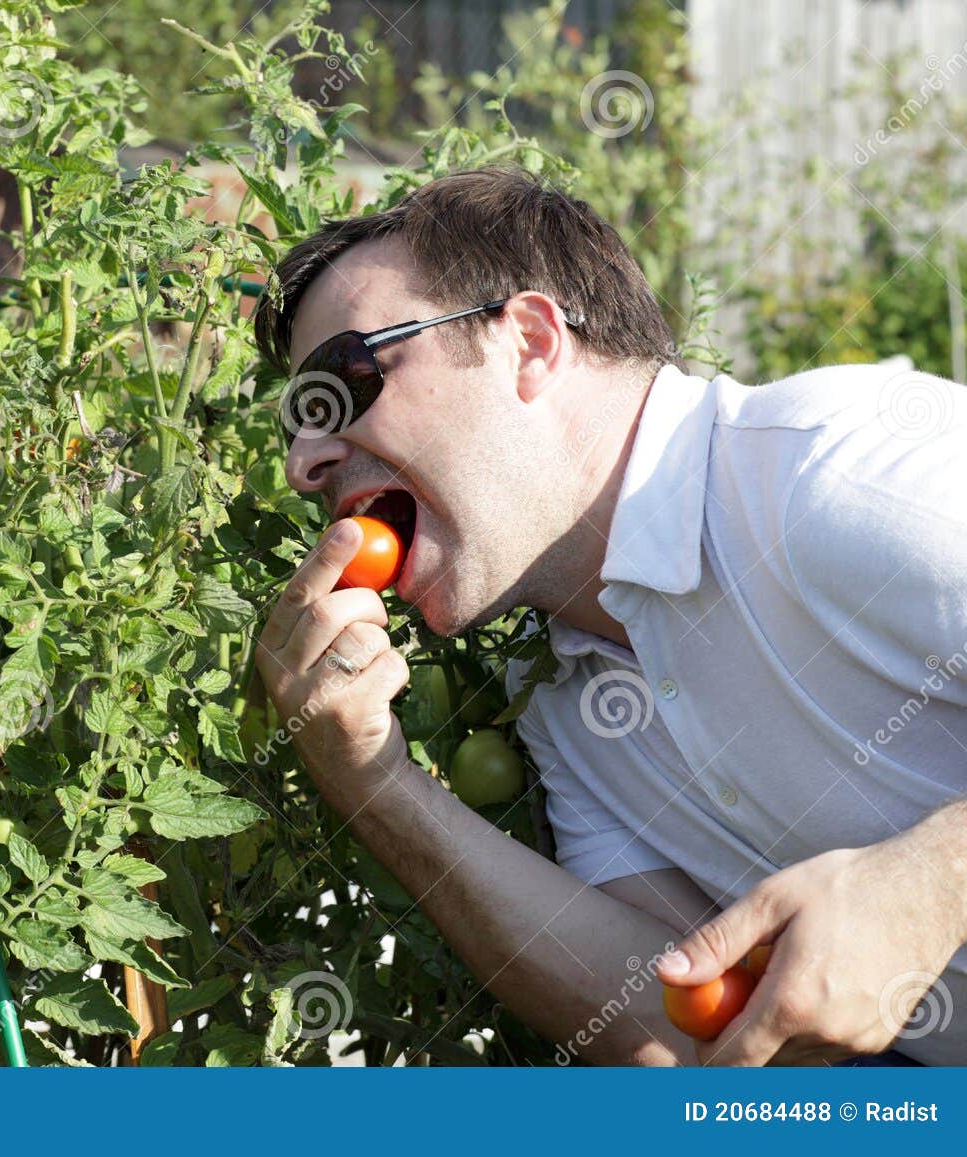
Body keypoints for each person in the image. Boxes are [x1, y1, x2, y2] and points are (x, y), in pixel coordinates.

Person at [251, 166, 967, 1065]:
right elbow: (680, 1035)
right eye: (295, 423)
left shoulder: (840, 477)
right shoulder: (565, 706)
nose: (303, 465)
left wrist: (935, 878)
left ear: (533, 342)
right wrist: (374, 784)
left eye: (346, 376)